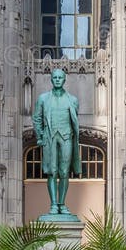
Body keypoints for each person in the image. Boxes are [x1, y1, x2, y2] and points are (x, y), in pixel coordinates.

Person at [32, 69, 81, 215]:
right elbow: (37, 118)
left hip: (66, 137)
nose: (58, 79)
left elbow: (74, 120)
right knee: (52, 171)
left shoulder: (73, 100)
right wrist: (40, 136)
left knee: (64, 171)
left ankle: (62, 204)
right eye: (55, 77)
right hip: (50, 137)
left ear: (64, 80)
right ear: (51, 79)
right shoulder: (43, 98)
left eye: (60, 77)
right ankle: (53, 204)